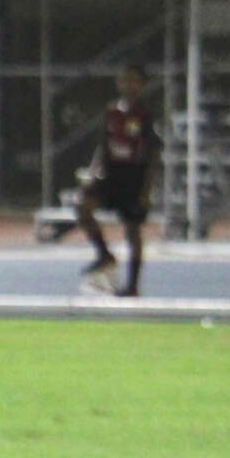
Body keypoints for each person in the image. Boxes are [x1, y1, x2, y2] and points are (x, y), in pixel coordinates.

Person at [77, 63, 155, 297]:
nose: (128, 85)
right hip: (111, 175)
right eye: (124, 80)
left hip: (133, 176)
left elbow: (152, 155)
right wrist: (92, 174)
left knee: (133, 230)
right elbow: (102, 146)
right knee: (83, 207)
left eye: (134, 80)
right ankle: (104, 254)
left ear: (141, 85)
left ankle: (133, 285)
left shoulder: (144, 115)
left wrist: (146, 191)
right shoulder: (111, 111)